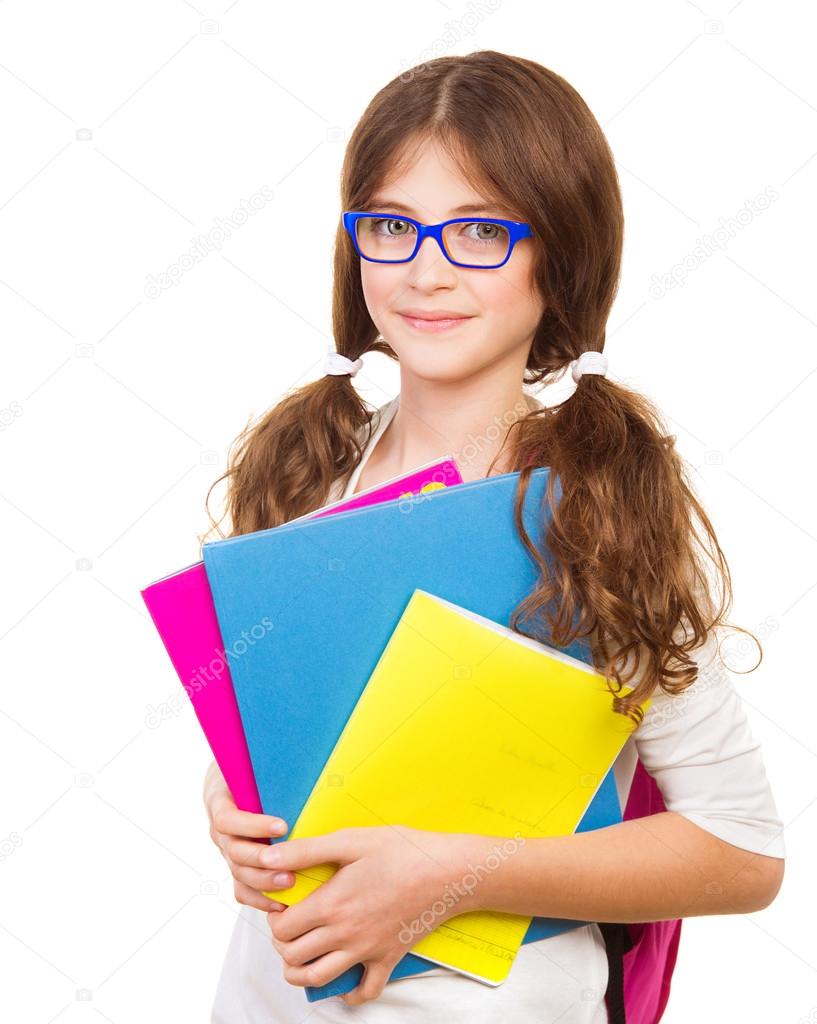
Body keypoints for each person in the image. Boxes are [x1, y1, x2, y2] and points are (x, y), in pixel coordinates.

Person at [201, 50, 785, 1022]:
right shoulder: (310, 462)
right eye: (391, 226)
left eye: (479, 230)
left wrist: (451, 876)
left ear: (559, 252)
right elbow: (278, 731)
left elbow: (738, 847)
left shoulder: (596, 506)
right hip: (270, 996)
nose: (425, 272)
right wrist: (232, 810)